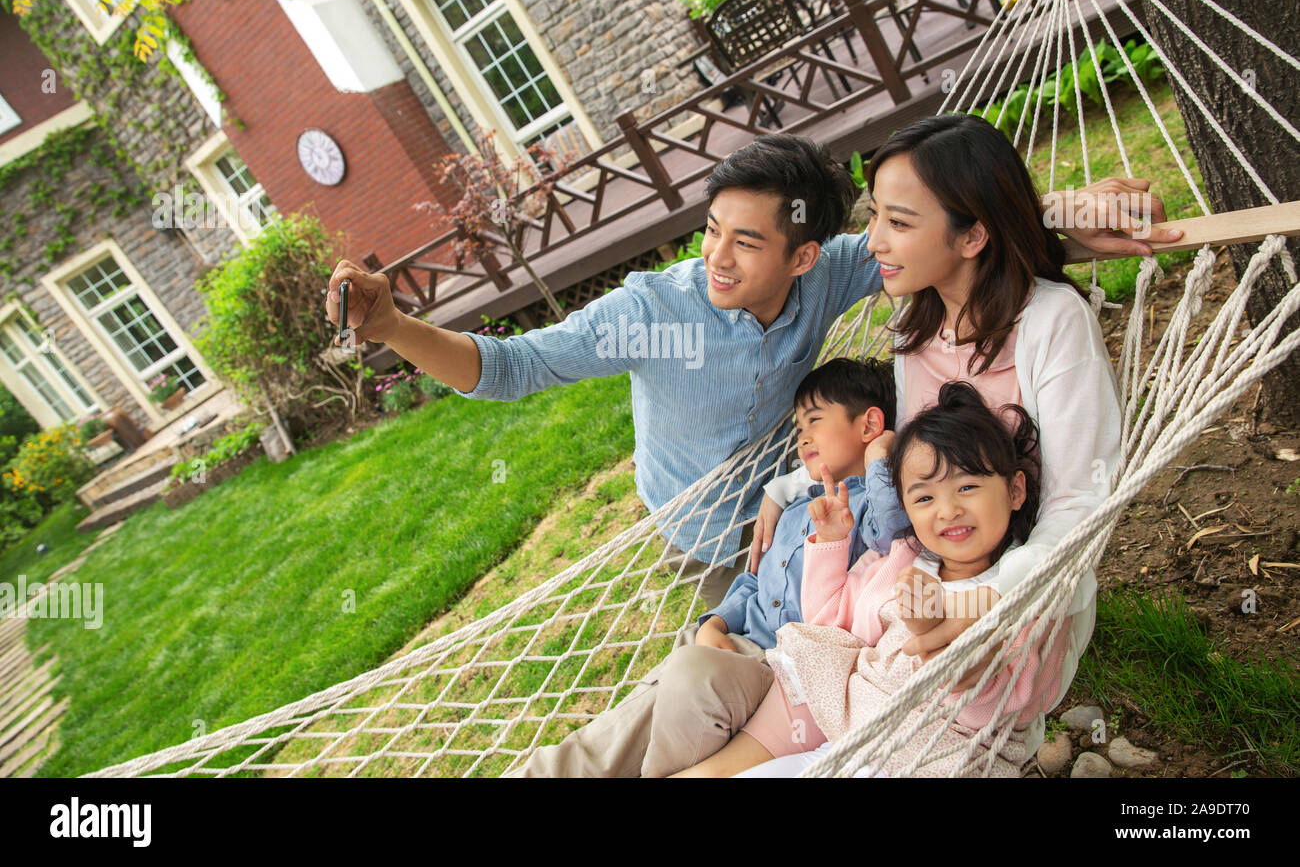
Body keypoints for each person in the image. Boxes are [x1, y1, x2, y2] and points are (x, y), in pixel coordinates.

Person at [325, 130, 1169, 605]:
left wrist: (1070, 209)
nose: (717, 260)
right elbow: (507, 368)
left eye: (747, 242)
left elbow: (946, 234)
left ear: (804, 258)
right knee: (738, 648)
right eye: (711, 232)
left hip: (812, 499)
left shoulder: (839, 267)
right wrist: (394, 324)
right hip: (701, 531)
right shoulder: (650, 314)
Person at [753, 114, 1121, 713]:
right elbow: (912, 470)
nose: (873, 241)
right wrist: (790, 486)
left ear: (973, 236)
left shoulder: (1052, 323)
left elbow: (1079, 509)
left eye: (898, 222)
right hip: (916, 580)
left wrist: (982, 600)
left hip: (1019, 602)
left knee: (837, 721)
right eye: (875, 215)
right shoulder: (915, 329)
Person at [510, 357, 911, 777]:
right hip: (732, 646)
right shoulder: (793, 507)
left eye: (814, 421)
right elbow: (752, 581)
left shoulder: (870, 506)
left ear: (868, 425)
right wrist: (716, 622)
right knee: (627, 727)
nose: (803, 437)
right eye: (798, 429)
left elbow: (894, 530)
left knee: (684, 681)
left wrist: (882, 454)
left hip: (784, 665)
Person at [674, 382, 1071, 778]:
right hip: (848, 737)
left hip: (929, 758)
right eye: (924, 498)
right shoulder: (901, 561)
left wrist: (966, 667)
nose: (948, 511)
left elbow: (1015, 700)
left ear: (1015, 489)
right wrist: (832, 542)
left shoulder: (1023, 586)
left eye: (967, 487)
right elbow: (829, 621)